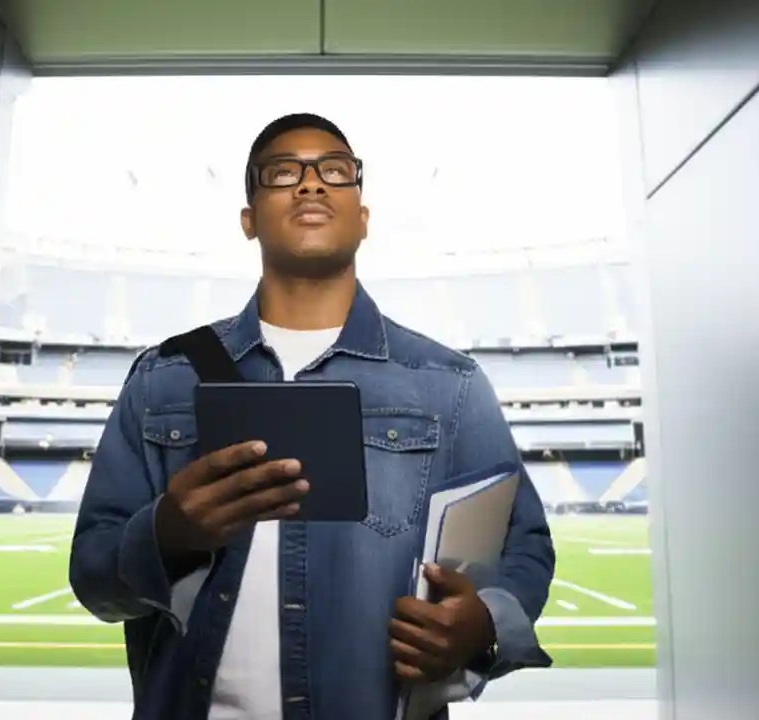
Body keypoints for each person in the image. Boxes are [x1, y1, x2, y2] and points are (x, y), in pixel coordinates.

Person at [70, 113, 555, 720]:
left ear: (363, 215)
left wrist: (483, 622)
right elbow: (94, 577)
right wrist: (169, 532)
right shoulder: (163, 376)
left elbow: (524, 546)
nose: (310, 184)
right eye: (282, 172)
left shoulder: (448, 383)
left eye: (334, 171)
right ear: (249, 219)